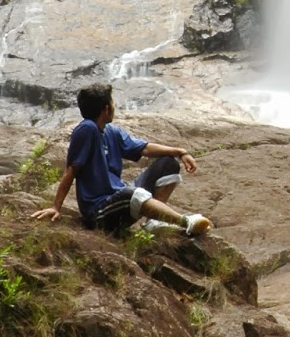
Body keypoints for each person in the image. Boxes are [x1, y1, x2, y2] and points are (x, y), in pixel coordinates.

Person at [31, 83, 211, 236]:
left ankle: (153, 223)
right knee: (131, 193)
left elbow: (144, 148)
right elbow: (71, 170)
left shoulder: (111, 131)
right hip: (100, 210)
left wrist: (180, 152)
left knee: (168, 163)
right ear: (106, 109)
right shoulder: (86, 129)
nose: (114, 106)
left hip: (120, 196)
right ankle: (186, 222)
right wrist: (56, 207)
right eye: (112, 102)